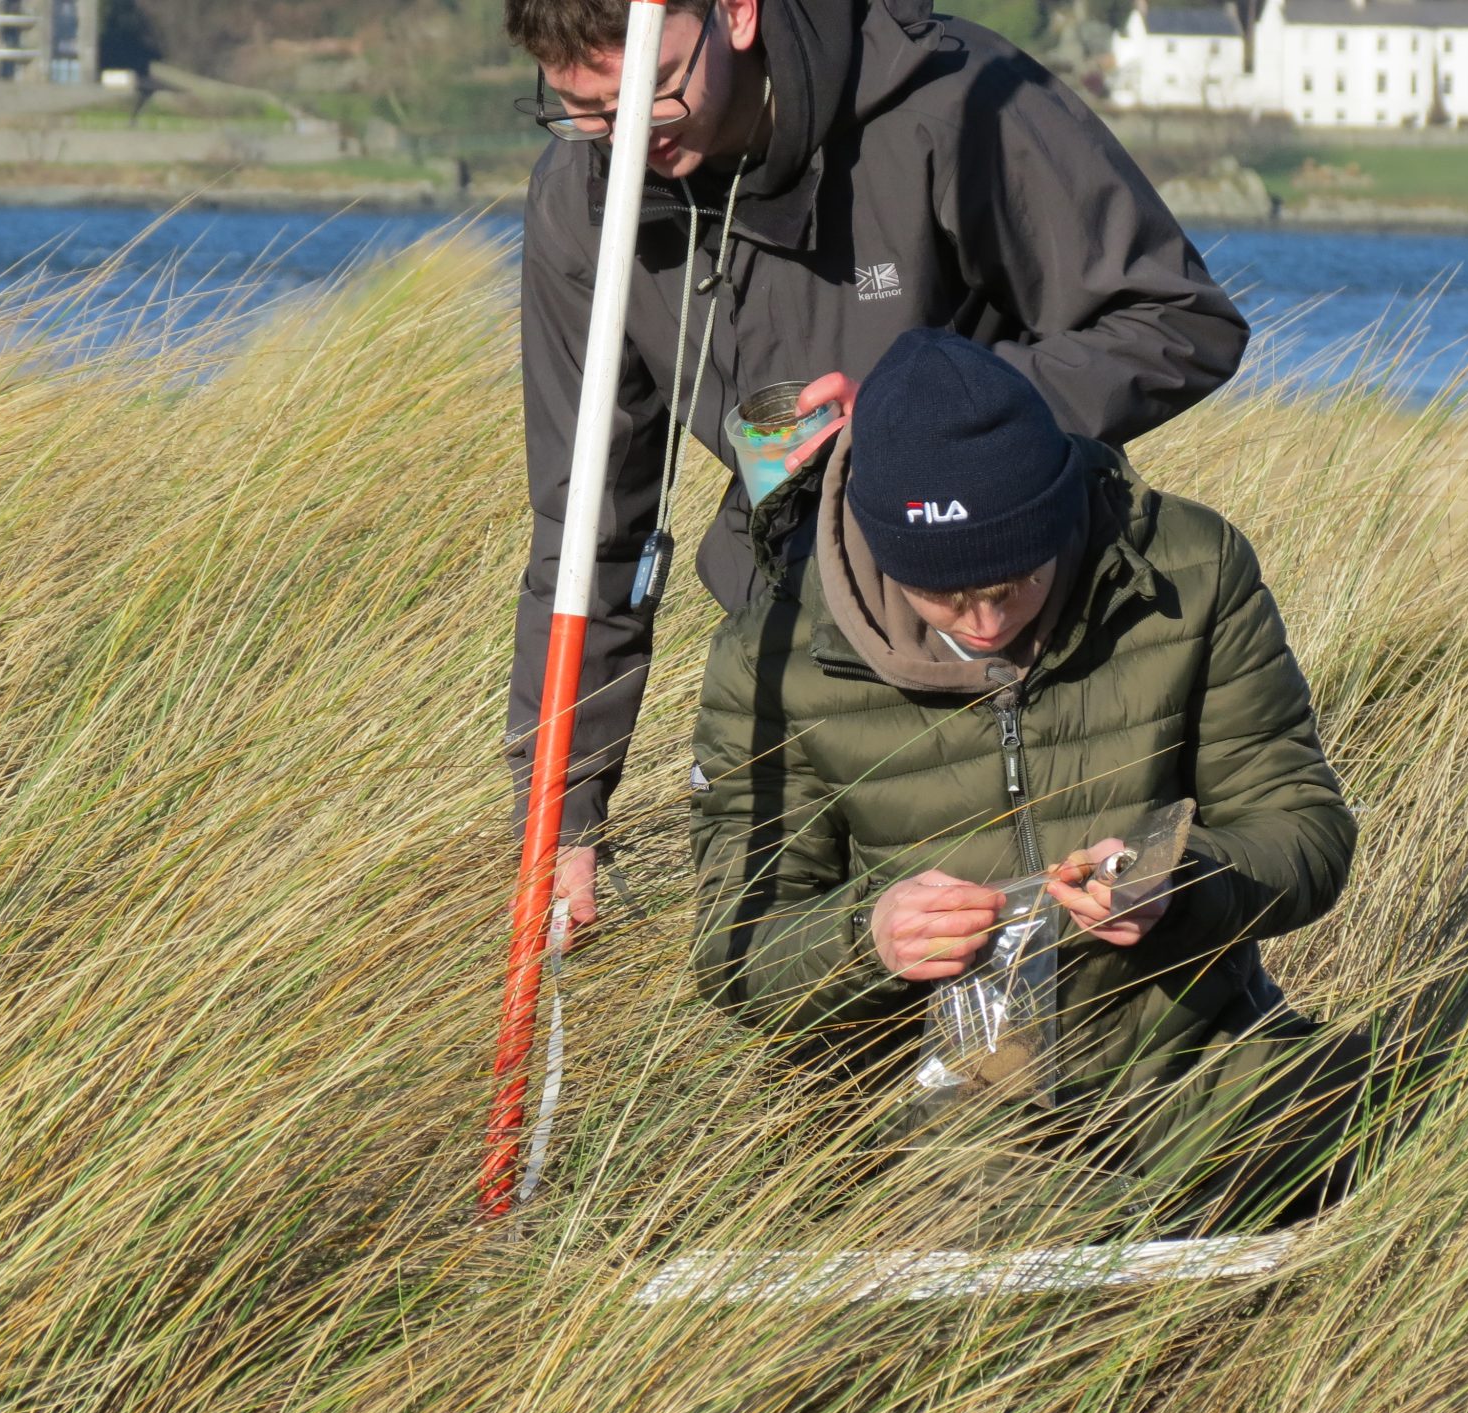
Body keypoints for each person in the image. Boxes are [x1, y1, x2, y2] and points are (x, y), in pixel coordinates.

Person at [504, 0, 1251, 941]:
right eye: (583, 107)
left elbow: (1178, 323)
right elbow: (589, 527)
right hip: (786, 653)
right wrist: (567, 810)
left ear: (736, 13)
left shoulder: (954, 100)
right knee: (794, 1004)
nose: (622, 141)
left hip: (1017, 638)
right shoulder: (584, 195)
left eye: (650, 93)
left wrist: (929, 421)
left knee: (1049, 1005)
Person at [689, 330, 1364, 1235]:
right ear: (885, 551)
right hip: (933, 1130)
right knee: (1031, 1240)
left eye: (1016, 581)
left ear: (1054, 516)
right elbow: (736, 950)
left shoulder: (1193, 572)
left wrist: (1187, 880)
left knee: (1427, 1147)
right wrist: (870, 940)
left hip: (1201, 1066)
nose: (989, 620)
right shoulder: (766, 658)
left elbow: (1306, 830)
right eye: (948, 596)